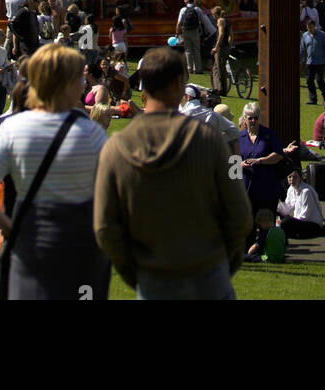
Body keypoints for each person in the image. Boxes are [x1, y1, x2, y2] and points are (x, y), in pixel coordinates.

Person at [94, 45, 252, 300]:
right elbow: (240, 216)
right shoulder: (207, 141)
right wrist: (222, 265)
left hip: (153, 279)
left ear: (143, 89)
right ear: (180, 84)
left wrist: (137, 274)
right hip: (209, 275)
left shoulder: (116, 148)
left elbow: (105, 228)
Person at [0, 43, 109, 300]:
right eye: (79, 77)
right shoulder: (91, 133)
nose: (83, 84)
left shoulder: (11, 128)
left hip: (29, 241)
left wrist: (1, 228)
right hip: (81, 246)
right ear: (67, 82)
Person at [277, 167, 325, 239]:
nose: (292, 179)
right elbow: (287, 208)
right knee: (279, 217)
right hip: (299, 222)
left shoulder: (306, 192)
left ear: (300, 178)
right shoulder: (291, 189)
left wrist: (291, 221)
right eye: (290, 177)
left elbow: (305, 216)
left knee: (286, 222)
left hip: (312, 224)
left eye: (295, 177)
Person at [300, 18, 325, 105]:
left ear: (315, 27)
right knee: (309, 80)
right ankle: (313, 99)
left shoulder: (322, 35)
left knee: (319, 80)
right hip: (310, 62)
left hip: (320, 62)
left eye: (312, 27)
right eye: (308, 28)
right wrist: (301, 60)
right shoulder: (305, 36)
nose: (310, 29)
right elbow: (302, 49)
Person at [176, 0, 203, 74]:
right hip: (195, 31)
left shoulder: (183, 10)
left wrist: (177, 32)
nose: (184, 1)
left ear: (187, 1)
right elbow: (202, 20)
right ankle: (197, 69)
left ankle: (189, 68)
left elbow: (179, 22)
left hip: (186, 31)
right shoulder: (197, 9)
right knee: (196, 50)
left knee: (188, 50)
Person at [210, 5, 232, 94]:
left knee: (219, 68)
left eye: (213, 15)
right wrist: (229, 45)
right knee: (217, 68)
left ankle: (220, 89)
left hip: (221, 47)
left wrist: (216, 47)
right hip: (226, 46)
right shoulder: (227, 21)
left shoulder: (220, 20)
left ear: (215, 14)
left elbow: (221, 34)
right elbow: (231, 35)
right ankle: (219, 88)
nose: (212, 16)